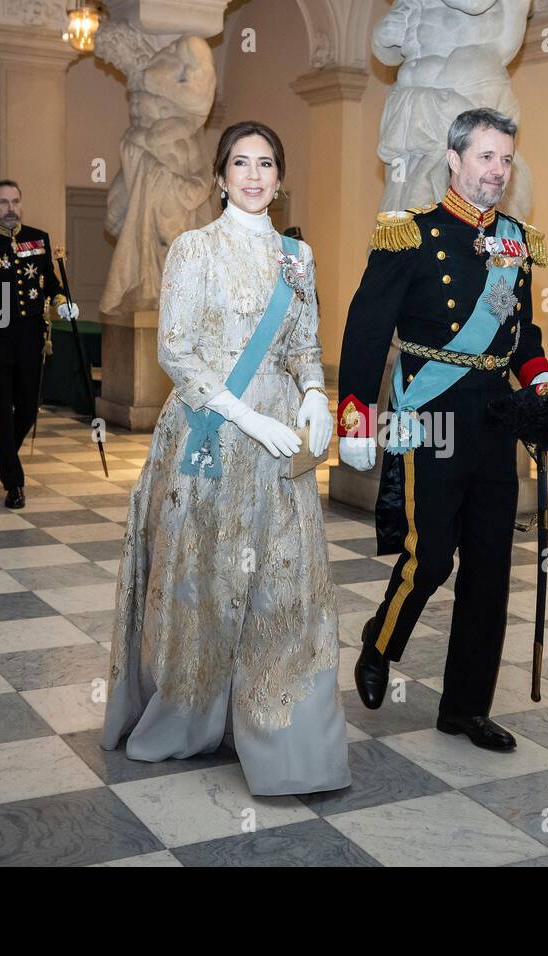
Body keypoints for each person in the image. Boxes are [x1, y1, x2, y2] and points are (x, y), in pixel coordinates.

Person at [101, 121, 349, 797]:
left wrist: (317, 396)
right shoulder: (194, 248)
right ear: (219, 176)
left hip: (278, 448)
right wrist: (246, 417)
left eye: (266, 163)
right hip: (210, 433)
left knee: (284, 581)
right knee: (204, 581)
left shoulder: (298, 258)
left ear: (280, 175)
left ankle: (282, 732)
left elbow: (302, 344)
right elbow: (175, 351)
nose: (253, 174)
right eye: (240, 162)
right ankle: (193, 712)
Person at [336, 107, 548, 752]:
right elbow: (365, 331)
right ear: (455, 158)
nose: (497, 171)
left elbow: (522, 336)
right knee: (432, 553)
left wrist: (545, 382)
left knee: (492, 567)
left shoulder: (517, 241)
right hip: (432, 414)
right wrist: (356, 416)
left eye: (505, 159)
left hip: (496, 418)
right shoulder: (409, 235)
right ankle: (380, 642)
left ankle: (465, 708)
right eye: (486, 157)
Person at [0, 180, 79, 509]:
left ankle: (3, 448)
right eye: (2, 202)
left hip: (32, 338)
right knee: (0, 409)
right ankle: (14, 482)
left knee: (27, 408)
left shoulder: (38, 239)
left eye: (15, 201)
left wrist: (61, 299)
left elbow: (50, 281)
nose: (10, 208)